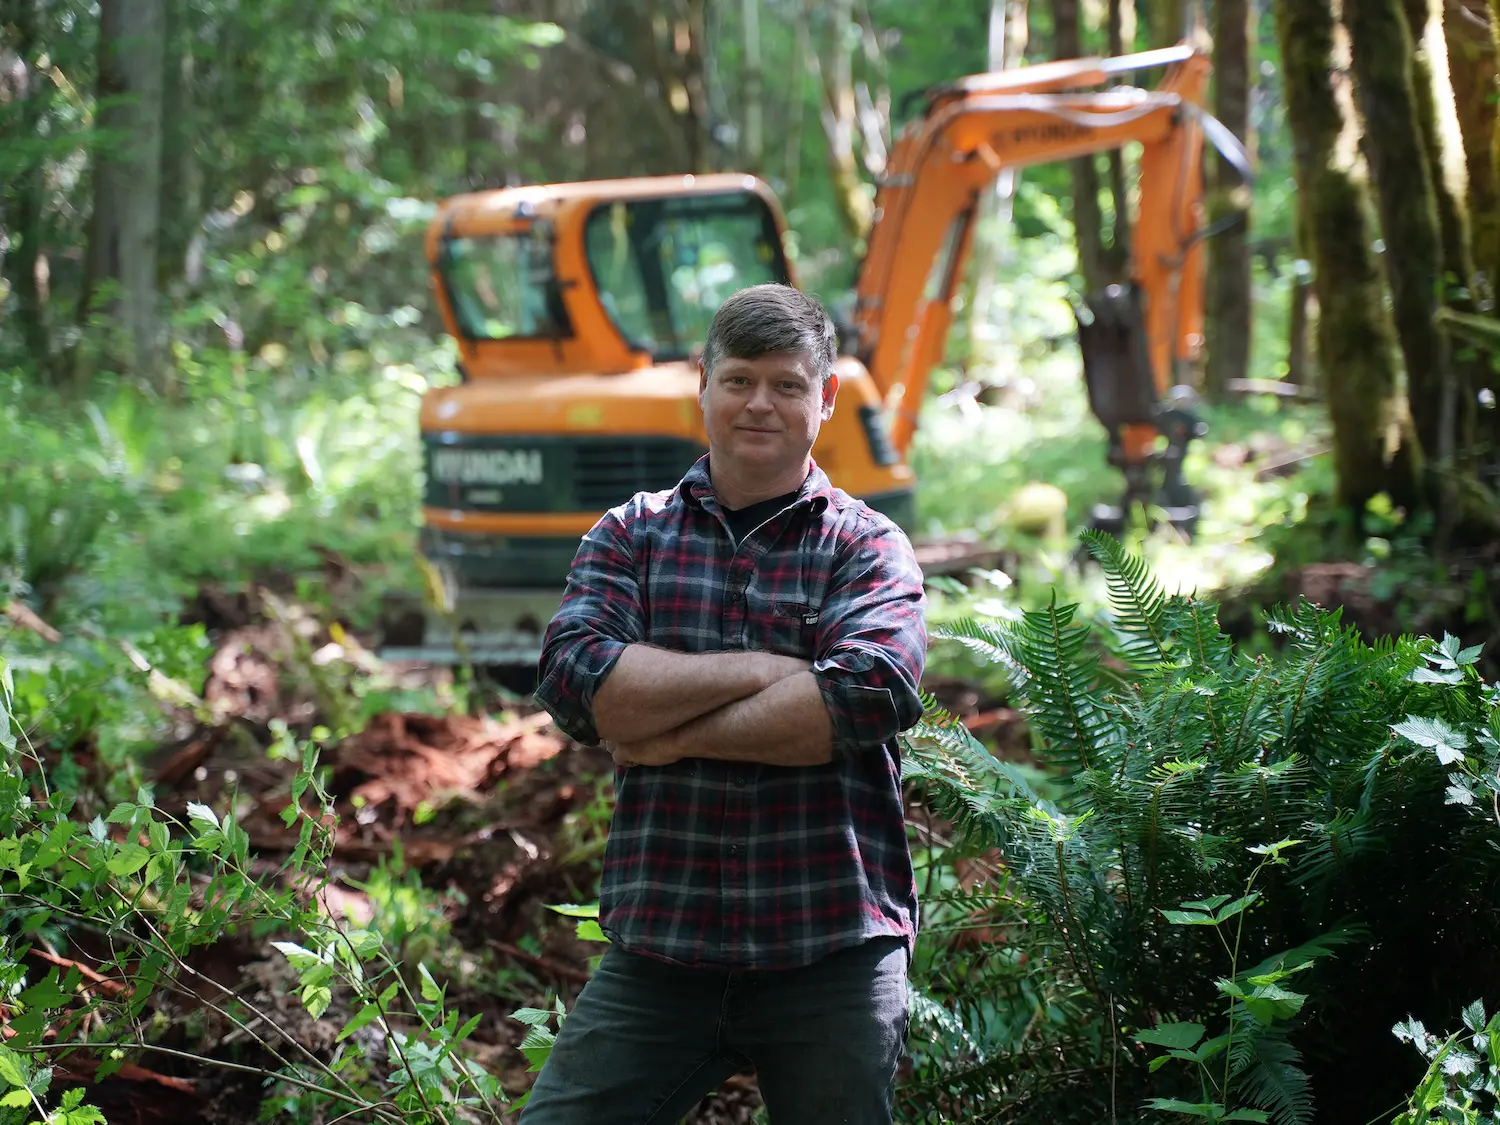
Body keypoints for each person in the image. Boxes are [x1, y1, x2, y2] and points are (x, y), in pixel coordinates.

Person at [526, 282, 928, 1125]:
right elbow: (575, 681)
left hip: (832, 948)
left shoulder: (866, 544)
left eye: (787, 384)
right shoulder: (629, 534)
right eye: (740, 378)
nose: (760, 402)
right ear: (701, 385)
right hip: (662, 948)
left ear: (825, 400)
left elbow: (864, 694)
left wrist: (664, 732)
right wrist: (772, 669)